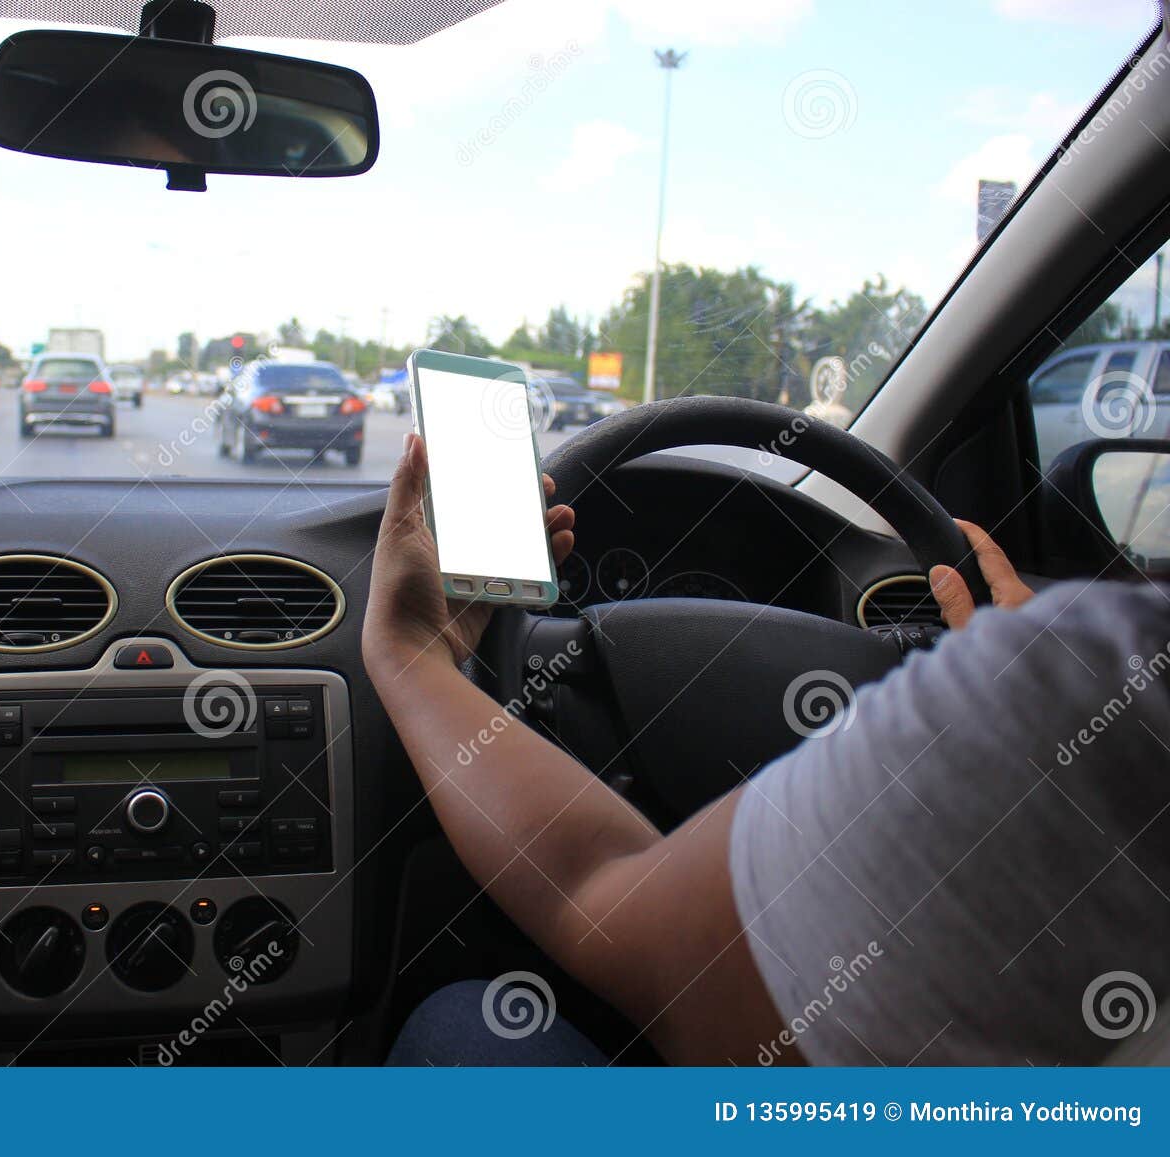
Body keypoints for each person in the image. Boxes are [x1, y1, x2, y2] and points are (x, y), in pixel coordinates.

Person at [364, 432, 1170, 1066]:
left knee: (465, 1025)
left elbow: (606, 897)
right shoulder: (1093, 690)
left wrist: (413, 658)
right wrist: (1015, 674)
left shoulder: (1084, 693)